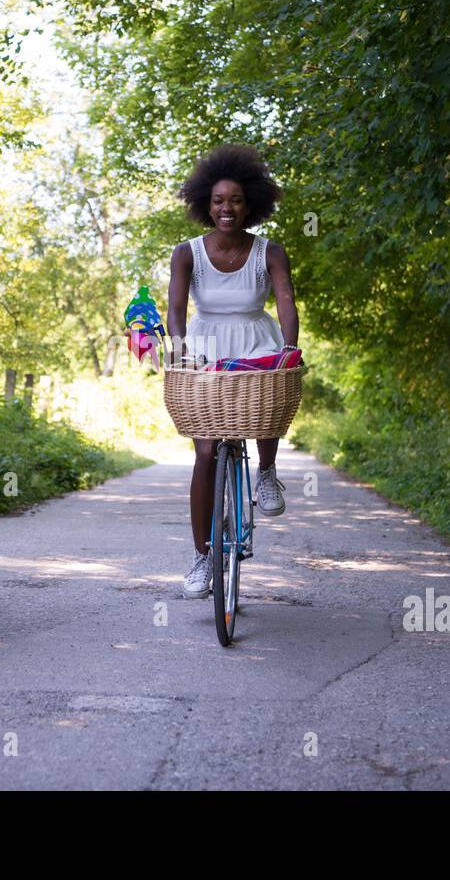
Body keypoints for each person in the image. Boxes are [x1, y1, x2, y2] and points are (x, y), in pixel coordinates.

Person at [165, 145, 300, 600]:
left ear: (251, 204)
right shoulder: (186, 253)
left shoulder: (270, 251)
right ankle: (203, 556)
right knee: (204, 454)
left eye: (237, 200)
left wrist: (290, 346)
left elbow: (284, 299)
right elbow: (176, 309)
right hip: (205, 349)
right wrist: (181, 350)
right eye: (219, 200)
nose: (228, 208)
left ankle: (266, 471)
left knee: (266, 399)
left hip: (255, 341)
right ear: (207, 204)